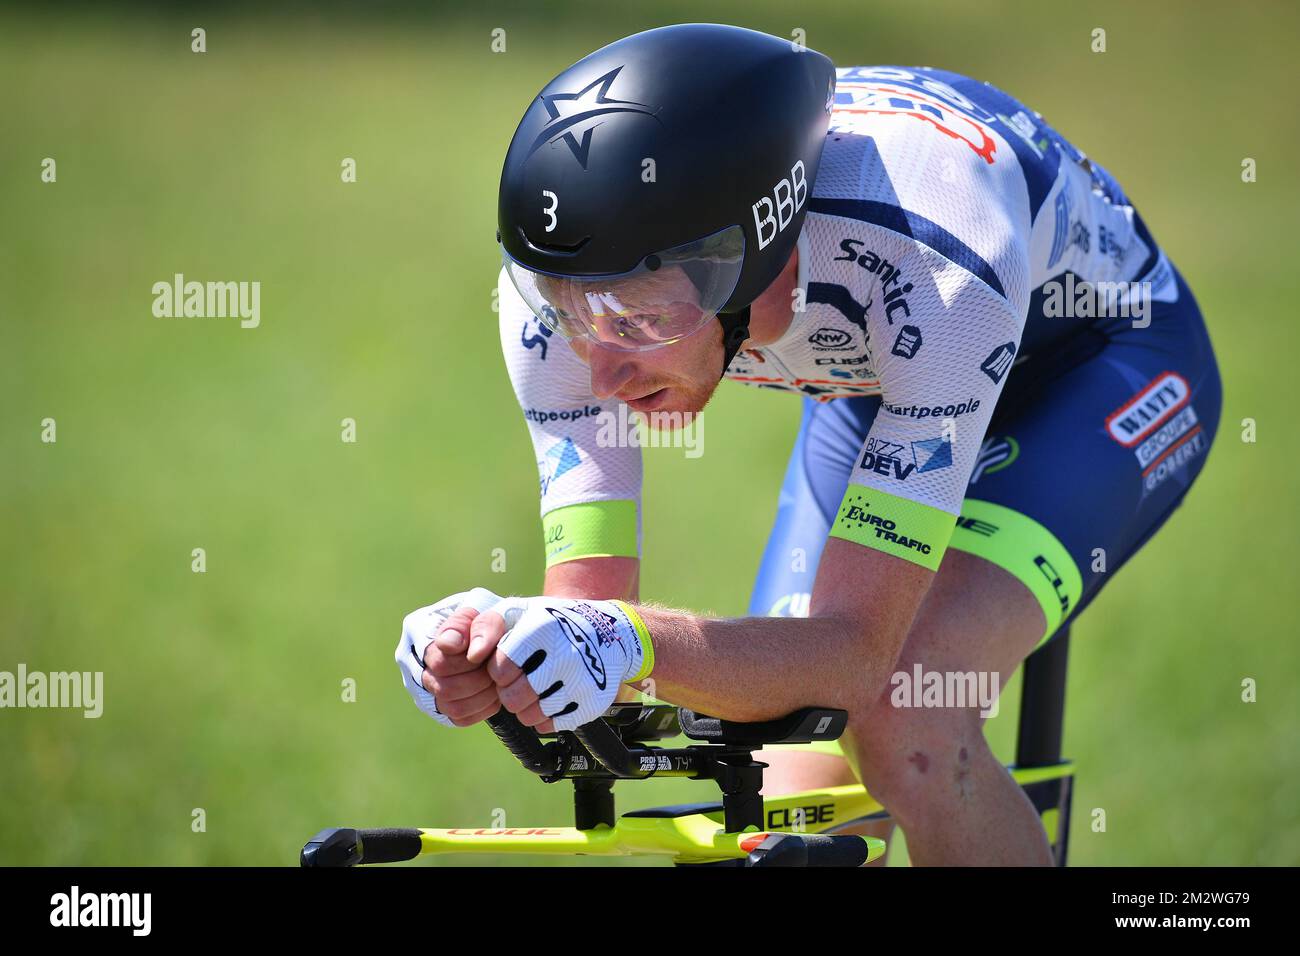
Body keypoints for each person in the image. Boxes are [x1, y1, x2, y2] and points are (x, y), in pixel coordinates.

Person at [396, 24, 1222, 865]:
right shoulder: (565, 284)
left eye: (645, 319)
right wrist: (503, 653)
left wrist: (625, 641)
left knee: (907, 713)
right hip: (884, 386)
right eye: (574, 317)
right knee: (794, 804)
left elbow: (854, 657)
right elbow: (590, 618)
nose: (604, 374)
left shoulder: (930, 260)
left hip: (1095, 369)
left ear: (755, 253)